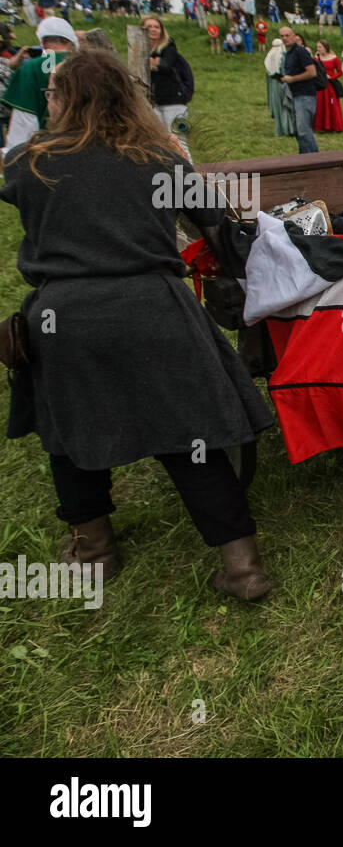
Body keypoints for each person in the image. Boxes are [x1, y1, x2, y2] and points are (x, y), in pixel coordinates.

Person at [0, 50, 276, 601]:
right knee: (192, 438)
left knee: (73, 438)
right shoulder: (161, 161)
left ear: (65, 100)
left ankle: (95, 553)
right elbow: (216, 222)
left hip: (65, 321)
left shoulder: (29, 160)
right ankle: (242, 568)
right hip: (156, 311)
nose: (48, 102)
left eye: (54, 94)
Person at [1, 17, 77, 160]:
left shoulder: (30, 69)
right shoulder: (91, 63)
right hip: (91, 148)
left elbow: (24, 122)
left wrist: (14, 157)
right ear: (71, 42)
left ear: (43, 42)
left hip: (48, 151)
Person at [142, 16, 193, 139]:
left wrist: (155, 65)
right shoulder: (142, 52)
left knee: (179, 141)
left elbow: (165, 65)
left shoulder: (169, 48)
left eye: (157, 27)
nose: (153, 29)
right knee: (160, 141)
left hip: (174, 101)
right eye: (149, 26)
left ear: (161, 31)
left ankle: (185, 159)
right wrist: (153, 64)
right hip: (154, 103)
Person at [277, 26, 319, 154]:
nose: (285, 38)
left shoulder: (300, 51)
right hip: (295, 95)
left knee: (304, 130)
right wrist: (284, 79)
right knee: (298, 131)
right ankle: (304, 161)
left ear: (294, 36)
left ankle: (315, 162)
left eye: (287, 35)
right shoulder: (289, 53)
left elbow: (312, 72)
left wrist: (292, 79)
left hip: (305, 95)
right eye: (282, 36)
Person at [264, 37, 295, 136]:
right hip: (283, 82)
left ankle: (280, 130)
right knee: (285, 105)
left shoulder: (269, 58)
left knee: (278, 106)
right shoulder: (283, 56)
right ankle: (288, 129)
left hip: (273, 85)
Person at [313, 39, 343, 132]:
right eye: (317, 47)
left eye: (320, 47)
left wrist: (332, 77)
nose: (318, 49)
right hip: (320, 85)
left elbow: (340, 72)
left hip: (330, 86)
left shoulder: (334, 58)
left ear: (325, 48)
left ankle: (334, 125)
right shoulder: (316, 58)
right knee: (320, 104)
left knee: (332, 103)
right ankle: (320, 126)